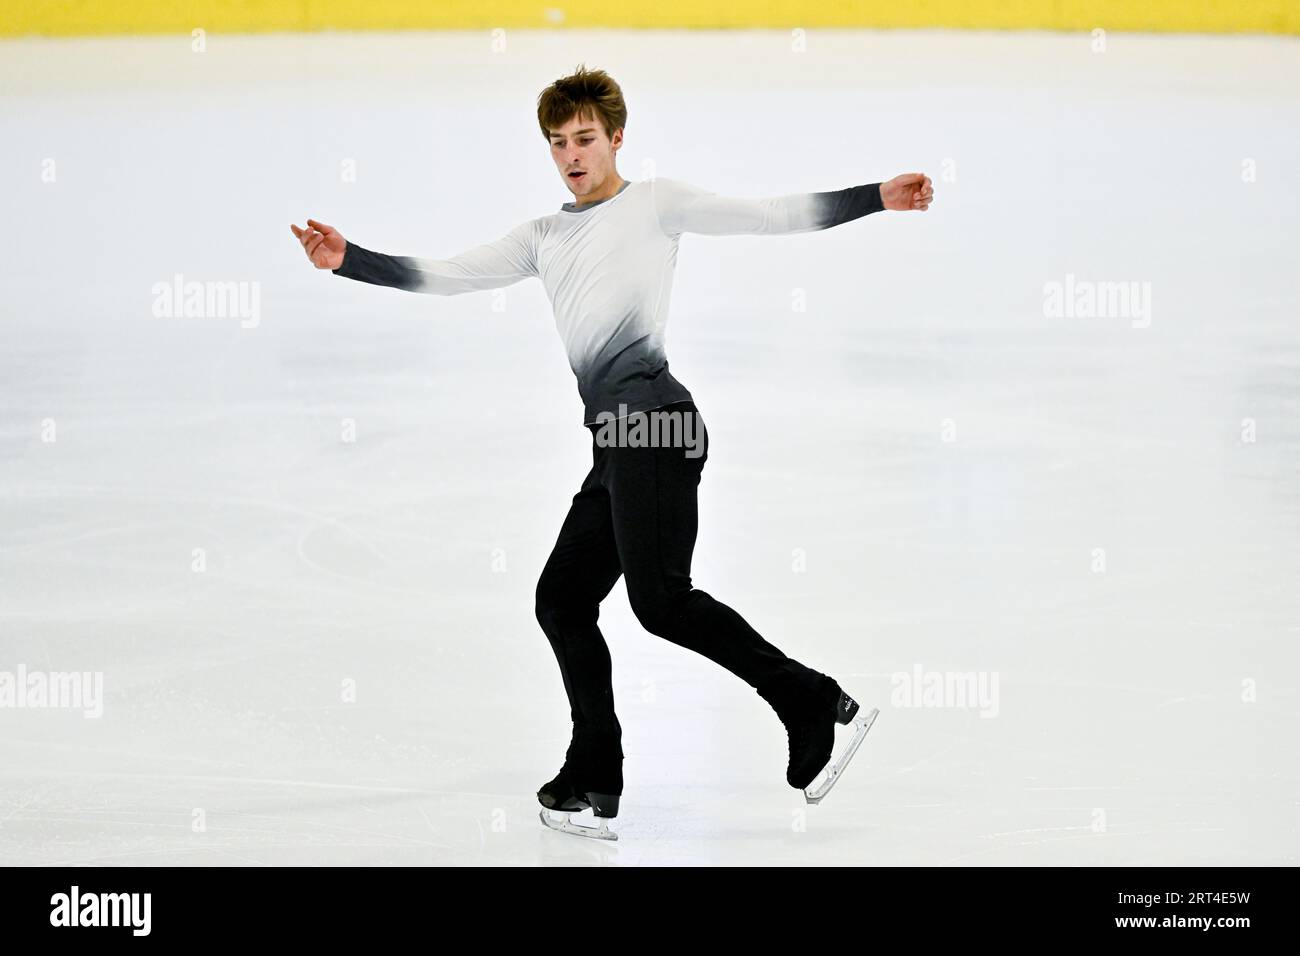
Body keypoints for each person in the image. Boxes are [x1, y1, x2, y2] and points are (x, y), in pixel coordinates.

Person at [292, 64, 933, 841]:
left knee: (660, 603)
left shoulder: (654, 205)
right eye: (558, 142)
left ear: (617, 137)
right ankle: (595, 774)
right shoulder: (544, 238)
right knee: (562, 600)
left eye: (585, 138)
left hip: (657, 424)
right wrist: (349, 259)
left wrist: (877, 197)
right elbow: (451, 276)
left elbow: (767, 215)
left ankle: (810, 701)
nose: (572, 154)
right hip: (618, 442)